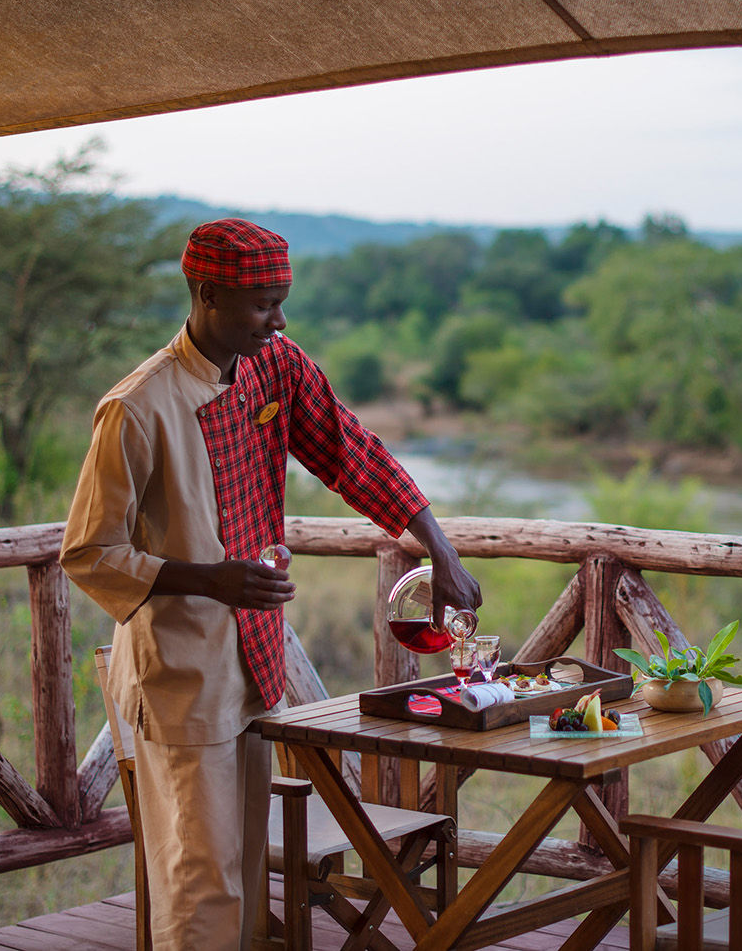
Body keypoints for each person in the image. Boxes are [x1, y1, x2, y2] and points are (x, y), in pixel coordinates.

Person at [60, 217, 481, 950]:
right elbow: (89, 552)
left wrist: (439, 549)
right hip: (182, 673)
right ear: (206, 294)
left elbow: (350, 451)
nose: (279, 321)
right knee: (202, 881)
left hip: (256, 659)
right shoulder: (137, 407)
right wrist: (211, 579)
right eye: (262, 304)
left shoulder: (274, 365)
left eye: (281, 302)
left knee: (247, 872)